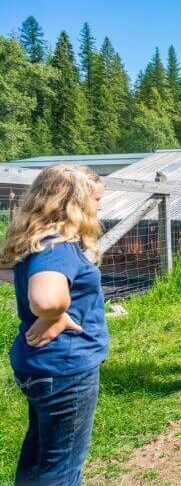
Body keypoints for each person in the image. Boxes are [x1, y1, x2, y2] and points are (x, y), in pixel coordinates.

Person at [0, 164, 108, 485]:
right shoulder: (58, 245)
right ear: (74, 201)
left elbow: (15, 273)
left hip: (41, 366)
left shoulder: (37, 240)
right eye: (96, 200)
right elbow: (46, 299)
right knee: (61, 469)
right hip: (66, 368)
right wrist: (56, 315)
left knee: (38, 459)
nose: (99, 208)